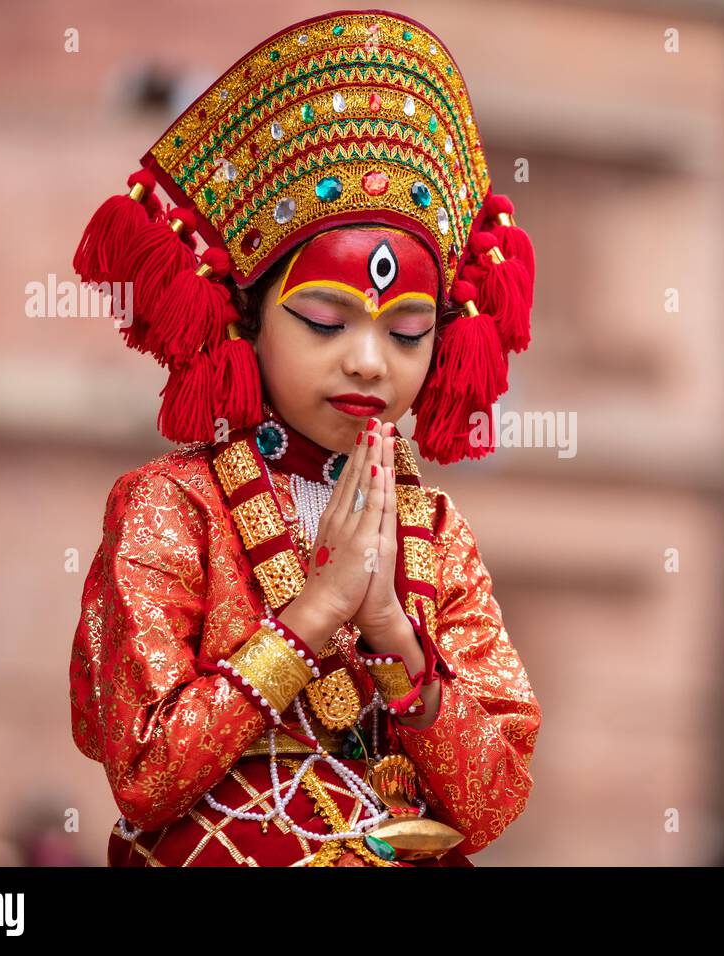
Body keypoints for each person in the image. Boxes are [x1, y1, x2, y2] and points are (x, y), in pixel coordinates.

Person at [68, 10, 540, 867]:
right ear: (248, 318)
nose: (368, 363)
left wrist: (394, 632)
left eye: (406, 332)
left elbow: (495, 798)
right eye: (325, 320)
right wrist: (316, 613)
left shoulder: (437, 534)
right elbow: (144, 770)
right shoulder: (173, 507)